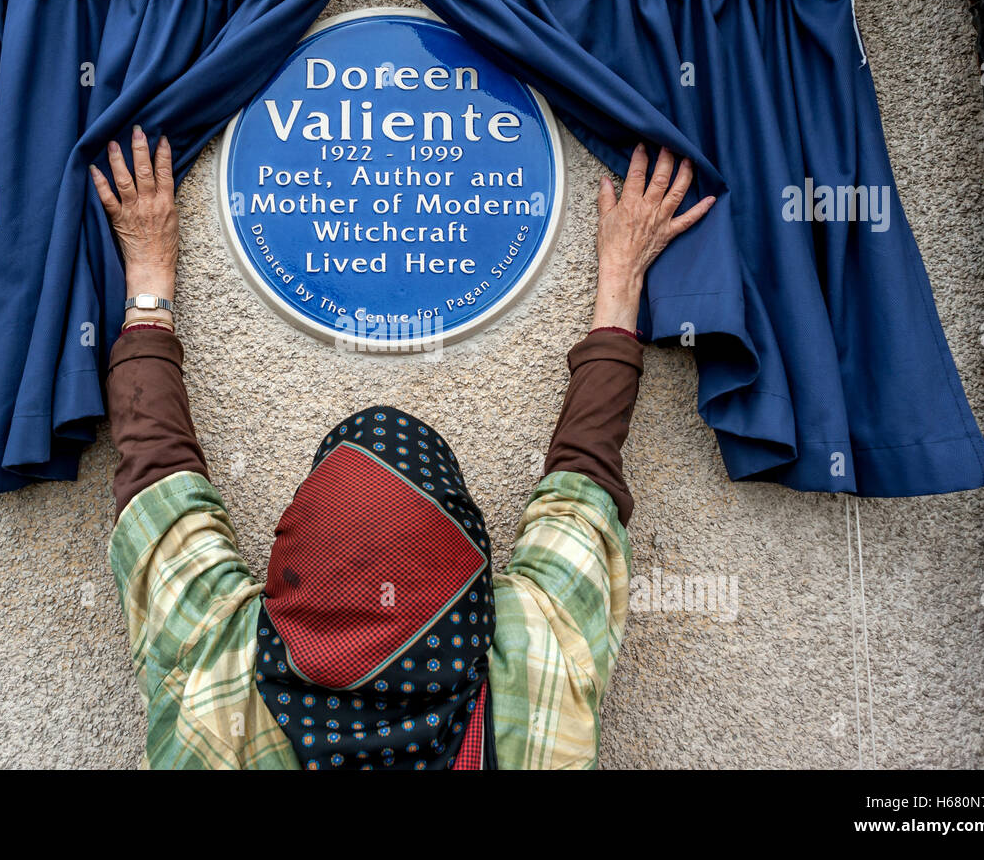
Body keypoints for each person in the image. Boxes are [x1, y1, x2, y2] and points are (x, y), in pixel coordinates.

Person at [91, 127, 714, 769]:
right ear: (466, 570)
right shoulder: (535, 664)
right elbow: (585, 478)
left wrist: (146, 274)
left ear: (294, 562)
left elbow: (155, 475)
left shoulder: (215, 667)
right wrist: (620, 281)